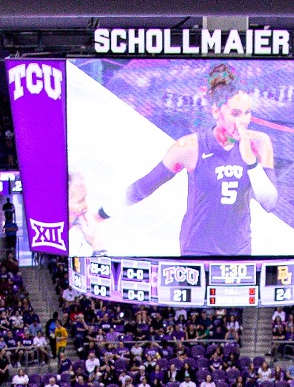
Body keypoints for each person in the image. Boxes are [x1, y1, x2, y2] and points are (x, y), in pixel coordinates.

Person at [78, 62, 278, 257]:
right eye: (235, 114)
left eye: (247, 113)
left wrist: (251, 162)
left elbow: (269, 204)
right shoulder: (190, 147)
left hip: (240, 251)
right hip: (197, 250)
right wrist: (99, 215)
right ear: (216, 112)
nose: (243, 121)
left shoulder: (259, 143)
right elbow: (143, 187)